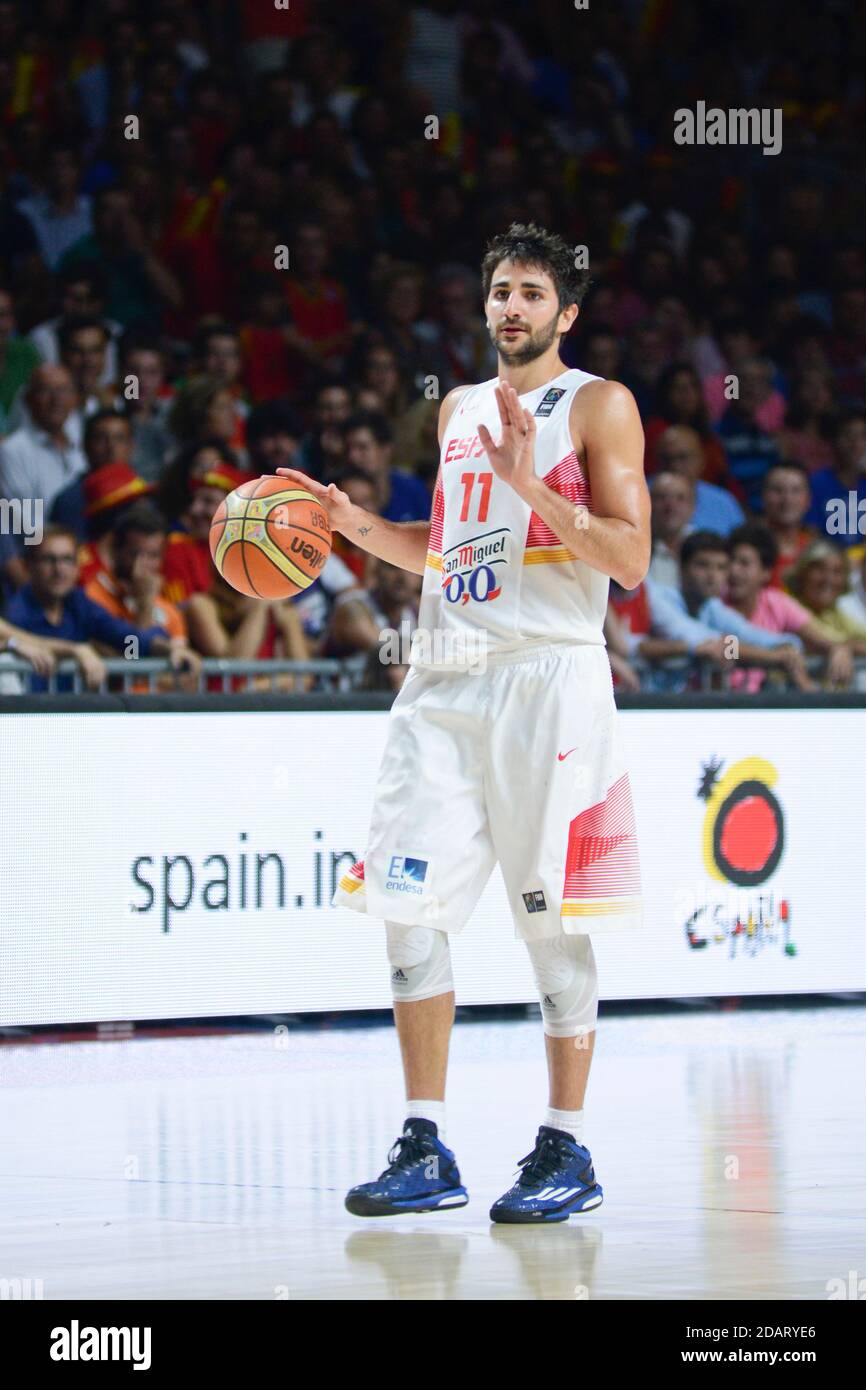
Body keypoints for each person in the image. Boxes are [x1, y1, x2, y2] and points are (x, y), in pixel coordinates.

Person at [276, 222, 650, 1224]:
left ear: (564, 313)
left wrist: (532, 487)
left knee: (549, 927)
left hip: (549, 678)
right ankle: (423, 1139)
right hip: (442, 673)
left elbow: (628, 558)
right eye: (499, 291)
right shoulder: (457, 410)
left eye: (531, 292)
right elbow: (444, 551)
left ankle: (564, 1147)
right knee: (403, 904)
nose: (511, 308)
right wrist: (355, 527)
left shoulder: (600, 405)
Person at [5, 525, 196, 692]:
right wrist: (77, 650)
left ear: (78, 567)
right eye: (48, 559)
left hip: (75, 717)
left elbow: (126, 637)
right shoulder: (16, 611)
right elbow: (17, 643)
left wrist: (168, 649)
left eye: (67, 560)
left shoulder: (78, 602)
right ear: (28, 566)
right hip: (28, 722)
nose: (59, 569)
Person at [655, 424, 744, 536]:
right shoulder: (640, 497)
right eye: (667, 458)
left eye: (683, 457)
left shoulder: (723, 503)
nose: (675, 466)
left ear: (700, 460)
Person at [805, 410, 866, 548]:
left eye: (863, 436)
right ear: (833, 440)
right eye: (848, 436)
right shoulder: (815, 483)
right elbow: (810, 533)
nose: (856, 444)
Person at [760, 461, 817, 586]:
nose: (787, 499)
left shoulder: (817, 550)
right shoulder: (750, 549)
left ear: (808, 500)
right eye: (777, 490)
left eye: (796, 491)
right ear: (763, 497)